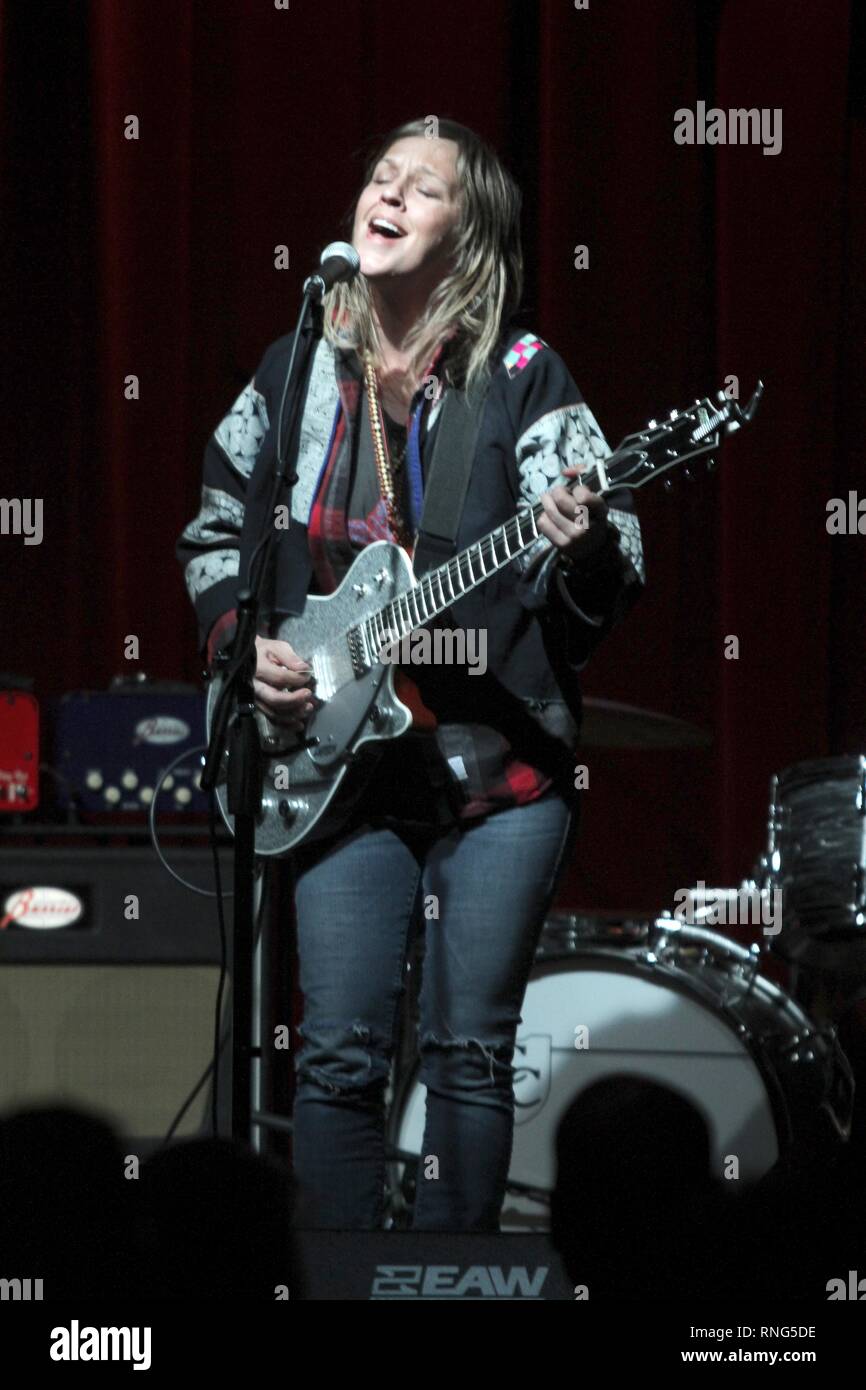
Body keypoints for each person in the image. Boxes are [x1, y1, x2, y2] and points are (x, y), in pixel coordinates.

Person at [177, 117, 645, 1231]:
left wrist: (577, 541)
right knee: (334, 1056)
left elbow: (614, 551)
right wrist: (251, 649)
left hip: (497, 775)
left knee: (465, 1056)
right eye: (378, 176)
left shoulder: (522, 377)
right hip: (334, 773)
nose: (384, 193)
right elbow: (210, 533)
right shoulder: (294, 372)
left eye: (419, 188)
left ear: (467, 236)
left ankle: (451, 1300)